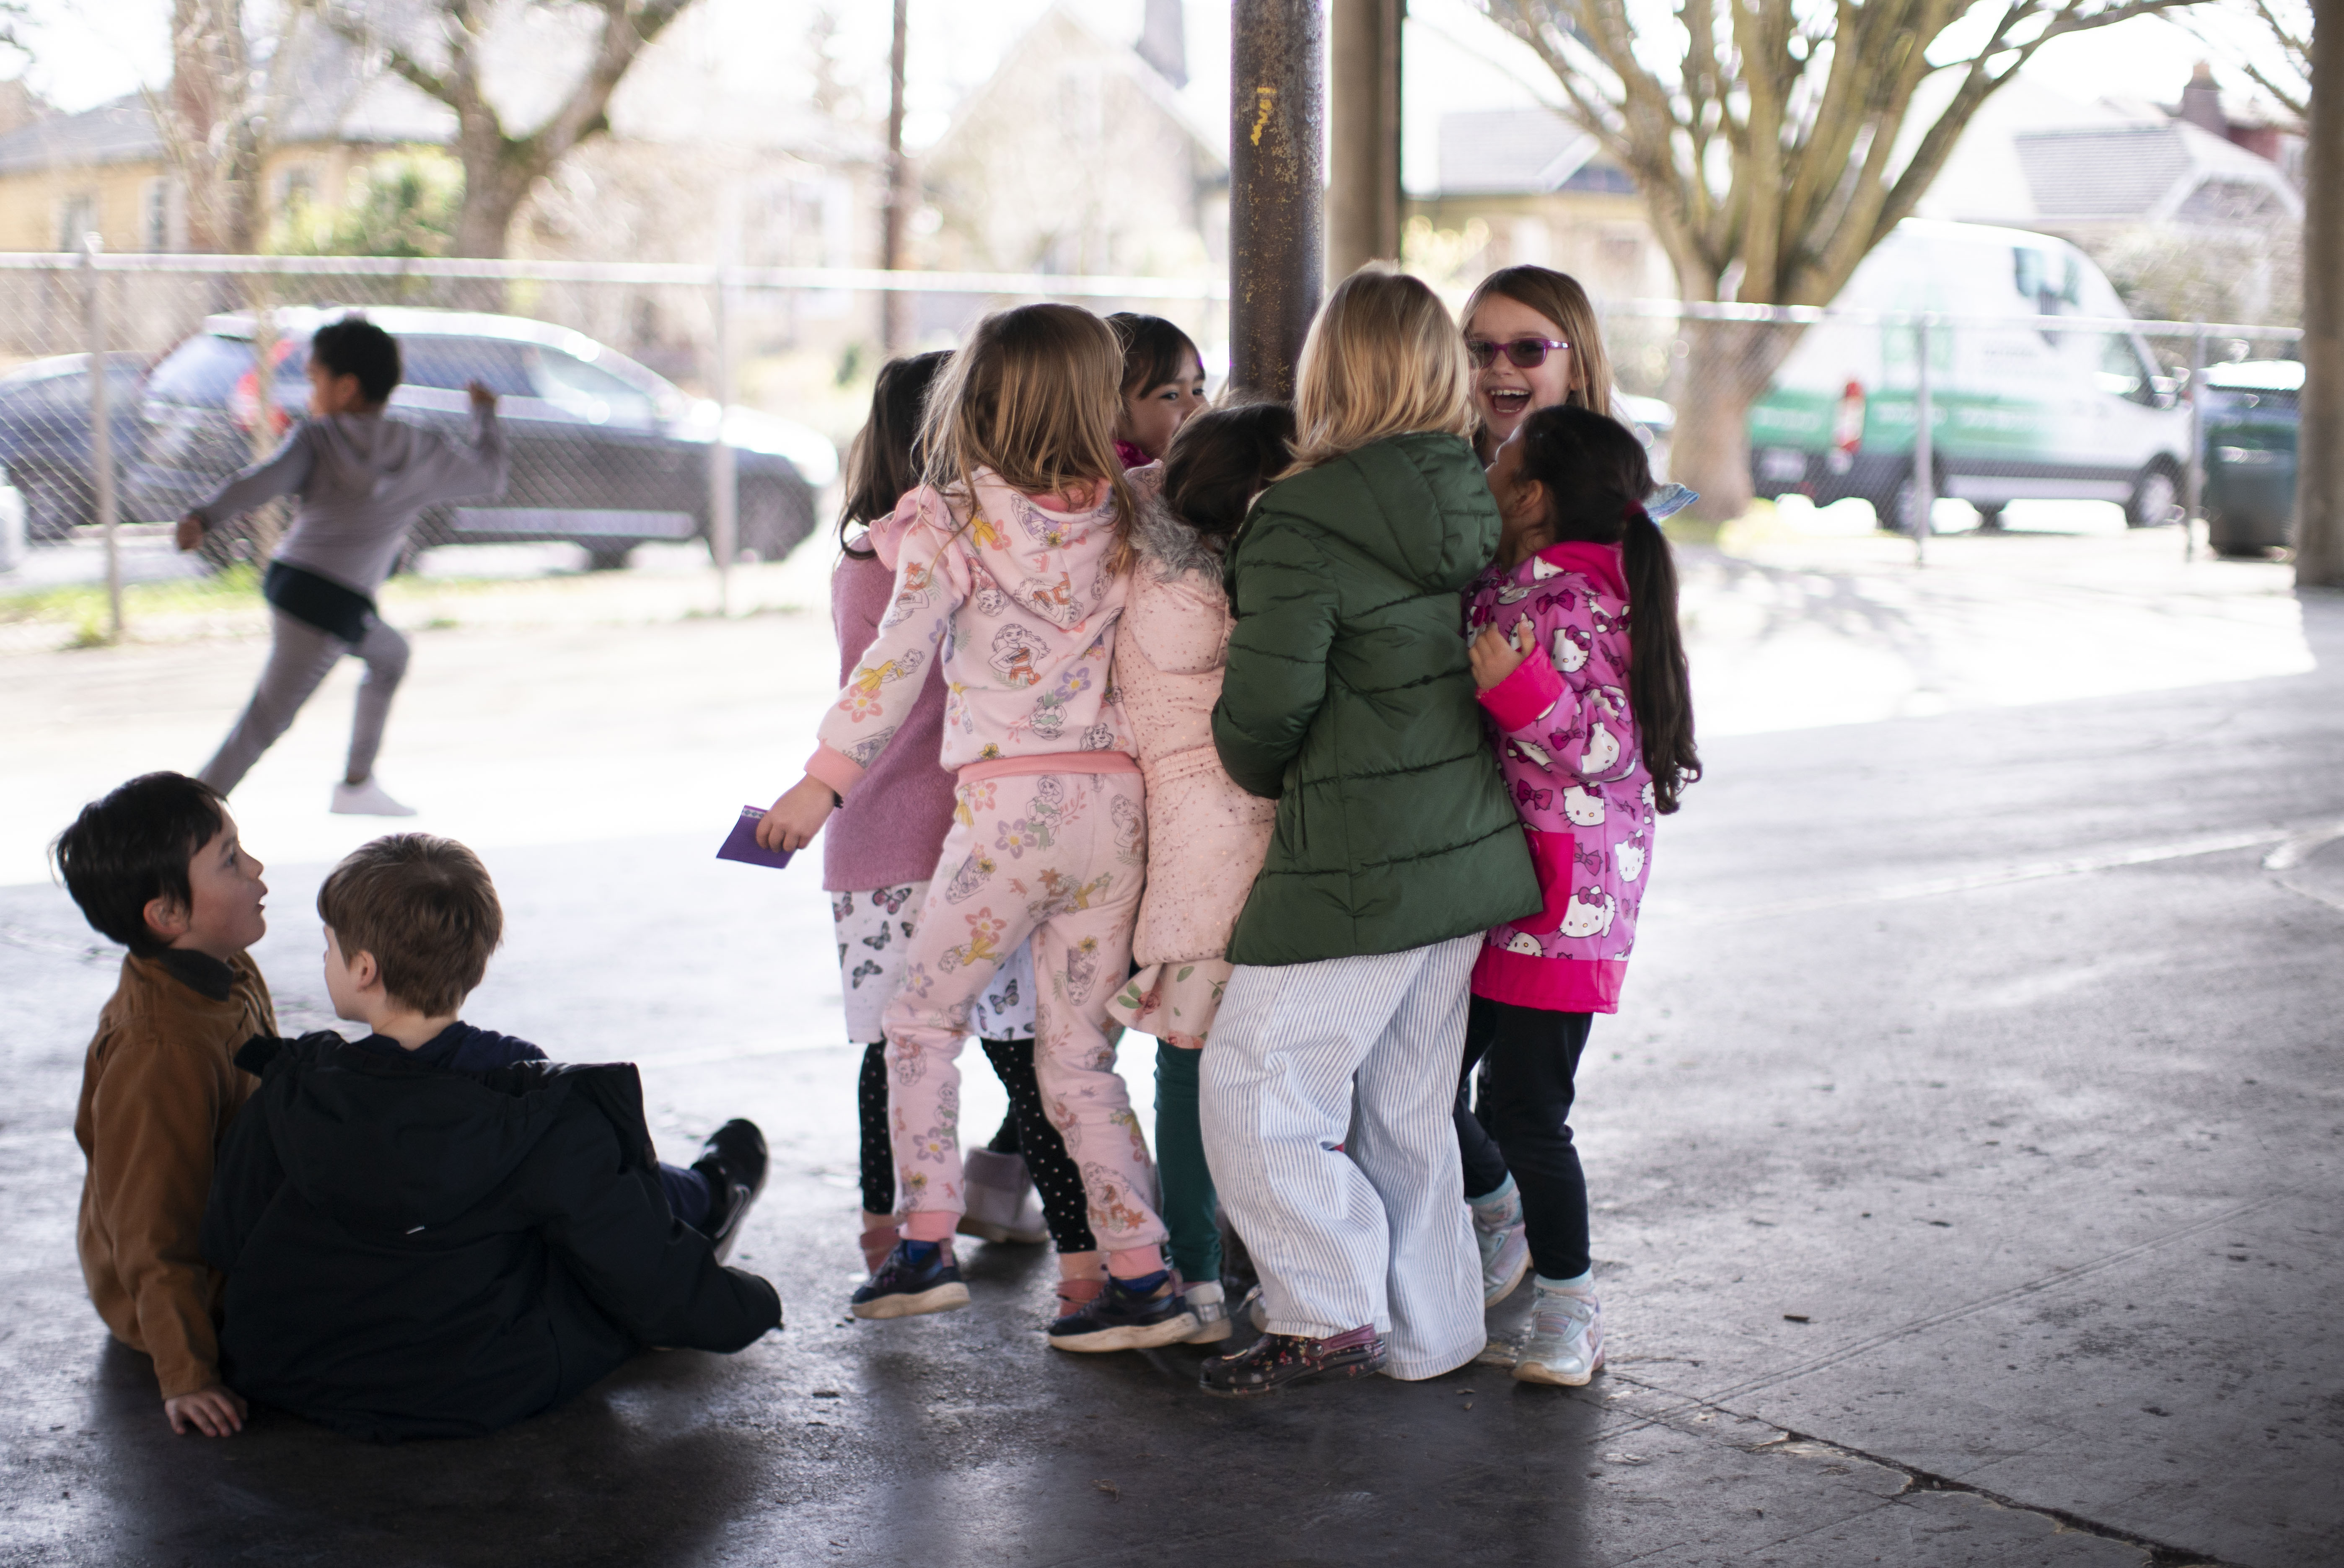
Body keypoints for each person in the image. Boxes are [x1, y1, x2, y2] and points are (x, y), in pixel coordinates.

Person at [759, 302, 1195, 1353]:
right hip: (1116, 818)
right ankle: (1144, 1278)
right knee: (1079, 1060)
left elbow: (894, 663)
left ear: (981, 401)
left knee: (920, 1024)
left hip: (1007, 817)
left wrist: (820, 786)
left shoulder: (953, 518)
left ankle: (923, 1247)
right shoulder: (1138, 512)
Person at [1196, 267, 1542, 1397]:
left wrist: (1253, 761)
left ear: (1329, 371)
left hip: (1360, 855)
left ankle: (1324, 1307)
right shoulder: (1478, 492)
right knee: (1405, 1108)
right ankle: (1428, 1330)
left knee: (1255, 1077)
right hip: (1469, 850)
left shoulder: (1301, 517)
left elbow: (1267, 711)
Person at [200, 833, 780, 1439]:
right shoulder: (523, 1101)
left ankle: (708, 1187)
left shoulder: (294, 1092)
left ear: (363, 968)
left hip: (299, 1375)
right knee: (606, 1206)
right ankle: (715, 1187)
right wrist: (755, 1303)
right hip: (475, 1382)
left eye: (329, 948)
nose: (326, 960)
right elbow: (639, 1267)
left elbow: (229, 1235)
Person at [825, 351, 1105, 1313]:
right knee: (1031, 1060)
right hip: (983, 836)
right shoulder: (976, 549)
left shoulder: (864, 557)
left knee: (898, 1047)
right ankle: (1084, 1265)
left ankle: (894, 1234)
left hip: (875, 842)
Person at [1461, 404, 1701, 1385]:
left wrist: (1515, 688)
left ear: (1529, 496)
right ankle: (1499, 1213)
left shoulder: (1561, 597)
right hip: (1510, 895)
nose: (1489, 470)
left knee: (1522, 1112)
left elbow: (1610, 747)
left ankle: (1570, 1298)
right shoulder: (1579, 587)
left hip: (1562, 913)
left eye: (1502, 461)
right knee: (1428, 1089)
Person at [1103, 402, 1293, 1343]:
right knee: (1257, 1070)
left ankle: (1197, 1272)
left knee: (1185, 1065)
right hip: (1249, 841)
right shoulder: (1242, 582)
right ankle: (1262, 1261)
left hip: (1181, 849)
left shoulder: (1141, 553)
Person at [177, 314, 509, 816]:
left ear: (347, 387)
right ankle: (181, 820)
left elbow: (260, 481)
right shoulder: (422, 449)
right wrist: (484, 416)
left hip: (303, 586)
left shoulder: (319, 439)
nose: (310, 394)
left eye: (314, 381)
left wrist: (206, 516)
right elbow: (489, 476)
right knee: (266, 721)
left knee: (389, 654)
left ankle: (356, 784)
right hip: (325, 600)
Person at [52, 772, 275, 1439]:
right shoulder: (160, 1050)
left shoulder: (224, 965)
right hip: (189, 1292)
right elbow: (153, 1231)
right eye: (230, 860)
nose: (258, 867)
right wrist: (188, 1374)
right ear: (168, 916)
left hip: (244, 1219)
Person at [1107, 312, 1210, 467]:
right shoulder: (1107, 487)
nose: (1197, 409)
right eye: (1172, 395)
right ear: (1111, 410)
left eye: (1198, 391)